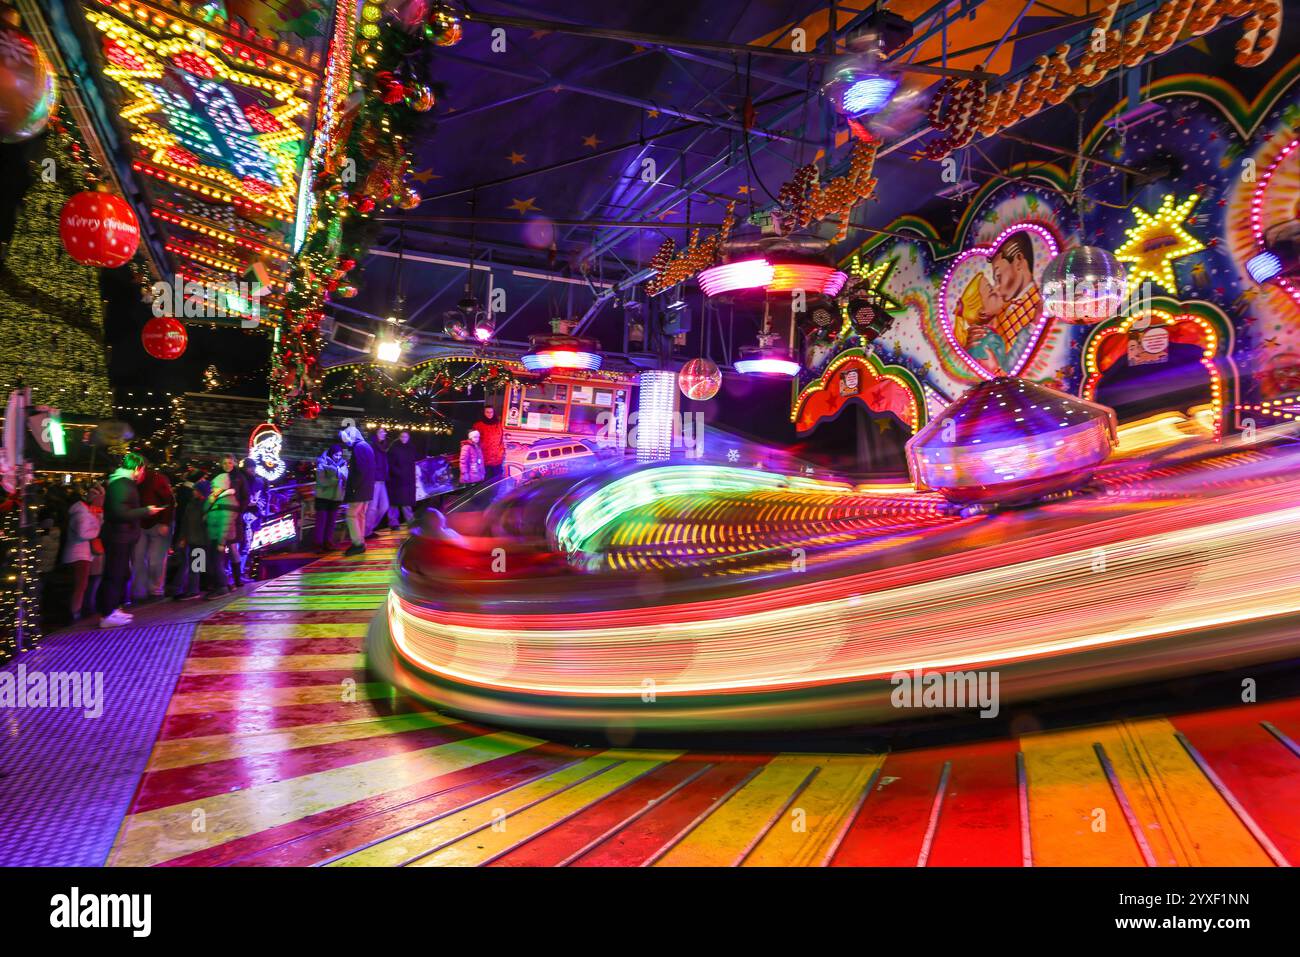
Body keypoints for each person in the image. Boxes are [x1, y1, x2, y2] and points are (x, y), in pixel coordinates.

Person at [98, 453, 164, 628]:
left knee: (120, 573)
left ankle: (113, 609)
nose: (143, 474)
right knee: (114, 573)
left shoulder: (122, 483)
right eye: (142, 470)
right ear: (137, 468)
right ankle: (107, 613)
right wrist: (146, 511)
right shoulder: (121, 484)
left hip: (123, 536)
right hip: (118, 536)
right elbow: (119, 513)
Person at [131, 463, 174, 603]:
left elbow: (169, 501)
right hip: (141, 523)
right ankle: (140, 591)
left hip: (157, 523)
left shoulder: (156, 480)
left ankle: (155, 590)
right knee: (138, 558)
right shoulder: (132, 482)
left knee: (155, 560)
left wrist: (165, 522)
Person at [60, 485, 102, 623]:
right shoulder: (82, 512)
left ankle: (75, 612)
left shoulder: (84, 511)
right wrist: (97, 527)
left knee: (80, 585)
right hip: (78, 555)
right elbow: (83, 533)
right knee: (80, 586)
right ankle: (75, 614)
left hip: (80, 554)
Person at [202, 470, 242, 598]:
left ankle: (222, 587)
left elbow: (225, 524)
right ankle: (221, 585)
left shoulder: (227, 501)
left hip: (219, 538)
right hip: (214, 536)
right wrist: (210, 500)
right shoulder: (218, 499)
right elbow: (205, 510)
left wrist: (221, 542)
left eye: (215, 486)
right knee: (214, 562)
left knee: (217, 562)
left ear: (223, 486)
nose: (213, 489)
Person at [170, 468, 207, 600]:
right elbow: (186, 522)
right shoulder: (195, 505)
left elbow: (187, 522)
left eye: (196, 490)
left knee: (194, 566)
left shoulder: (199, 505)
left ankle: (192, 589)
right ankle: (189, 588)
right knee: (192, 565)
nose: (194, 492)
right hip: (195, 539)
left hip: (198, 540)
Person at [340, 424, 376, 556]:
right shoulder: (367, 446)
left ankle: (357, 544)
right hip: (366, 489)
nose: (347, 444)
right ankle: (360, 542)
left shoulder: (359, 448)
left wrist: (354, 488)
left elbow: (360, 470)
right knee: (360, 515)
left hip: (359, 489)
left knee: (351, 515)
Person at [313, 443, 347, 552]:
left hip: (335, 497)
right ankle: (318, 544)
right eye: (336, 455)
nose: (338, 457)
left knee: (331, 521)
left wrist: (337, 474)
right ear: (331, 454)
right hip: (323, 497)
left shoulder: (343, 464)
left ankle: (328, 542)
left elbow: (346, 476)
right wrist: (337, 477)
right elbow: (322, 481)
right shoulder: (322, 463)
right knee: (321, 521)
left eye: (340, 455)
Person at [386, 429, 419, 528]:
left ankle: (410, 522)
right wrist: (398, 473)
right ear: (399, 437)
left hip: (407, 480)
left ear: (409, 437)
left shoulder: (411, 447)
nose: (404, 439)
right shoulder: (394, 447)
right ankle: (393, 522)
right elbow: (390, 463)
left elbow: (415, 459)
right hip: (395, 480)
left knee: (406, 502)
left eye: (406, 437)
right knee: (394, 502)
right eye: (402, 436)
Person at [366, 426, 391, 537]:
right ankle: (366, 531)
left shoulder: (384, 446)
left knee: (385, 506)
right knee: (372, 507)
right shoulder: (372, 446)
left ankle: (369, 527)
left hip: (382, 479)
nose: (383, 433)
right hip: (374, 479)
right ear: (376, 433)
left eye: (384, 431)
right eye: (381, 431)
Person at [472, 405, 505, 481]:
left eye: (491, 412)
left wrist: (501, 452)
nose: (489, 414)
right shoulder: (478, 425)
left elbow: (501, 439)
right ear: (484, 413)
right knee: (484, 481)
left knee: (497, 480)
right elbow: (474, 442)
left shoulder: (498, 425)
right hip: (484, 458)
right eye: (487, 412)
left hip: (497, 458)